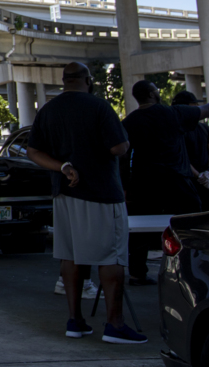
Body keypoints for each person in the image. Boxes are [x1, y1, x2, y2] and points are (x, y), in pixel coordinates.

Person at [27, 62, 145, 345]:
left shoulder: (48, 110)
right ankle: (115, 324)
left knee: (71, 256)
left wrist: (63, 166)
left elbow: (33, 151)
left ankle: (75, 321)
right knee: (111, 256)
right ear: (88, 80)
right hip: (101, 192)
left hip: (63, 194)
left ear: (64, 81)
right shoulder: (99, 107)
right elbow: (118, 147)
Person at [122, 82, 209, 285]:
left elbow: (123, 156)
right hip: (176, 178)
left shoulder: (129, 122)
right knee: (191, 221)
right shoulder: (172, 113)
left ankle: (136, 273)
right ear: (153, 93)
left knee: (139, 229)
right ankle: (193, 267)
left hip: (144, 182)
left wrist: (126, 185)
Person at [173, 91, 209, 208]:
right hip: (189, 181)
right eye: (194, 105)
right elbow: (182, 156)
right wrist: (199, 176)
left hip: (206, 178)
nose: (197, 108)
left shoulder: (203, 127)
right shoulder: (179, 130)